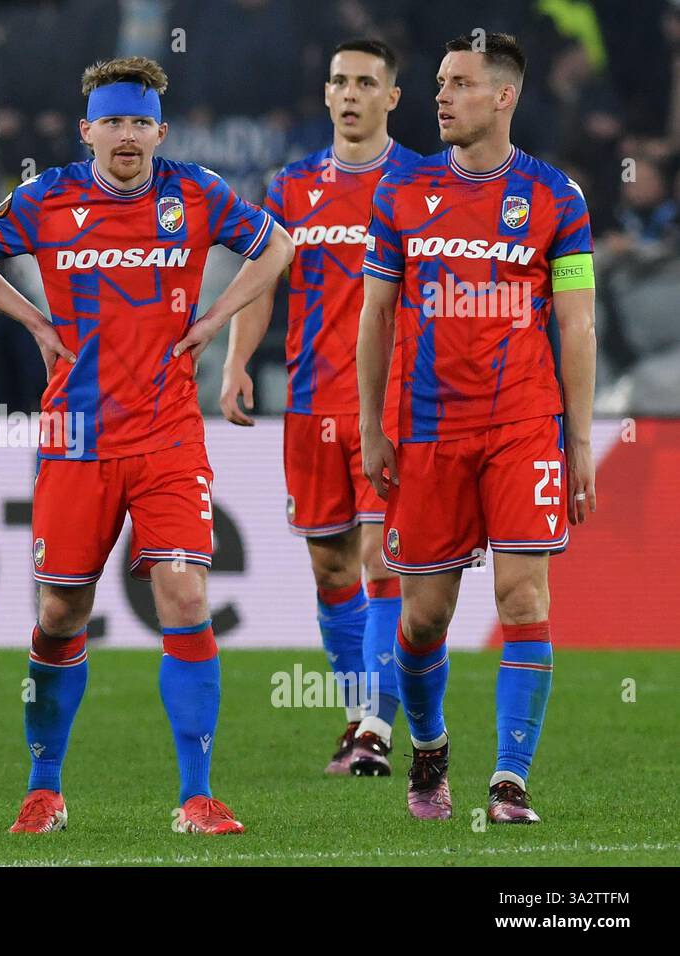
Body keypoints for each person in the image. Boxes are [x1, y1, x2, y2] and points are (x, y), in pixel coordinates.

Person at [0, 55, 293, 834]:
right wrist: (31, 319)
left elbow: (278, 250)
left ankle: (197, 795)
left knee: (186, 594)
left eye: (140, 122)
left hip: (169, 436)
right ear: (87, 128)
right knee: (61, 614)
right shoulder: (50, 197)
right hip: (76, 440)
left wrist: (213, 319)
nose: (127, 135)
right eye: (114, 121)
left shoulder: (195, 192)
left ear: (159, 131)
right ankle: (44, 788)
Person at [358, 32, 597, 822]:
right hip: (427, 432)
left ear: (505, 96)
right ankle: (428, 746)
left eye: (459, 83)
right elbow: (379, 315)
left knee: (524, 598)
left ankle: (509, 781)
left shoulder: (558, 198)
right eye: (439, 81)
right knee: (424, 618)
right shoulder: (399, 193)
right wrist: (371, 424)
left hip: (525, 425)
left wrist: (579, 441)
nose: (441, 95)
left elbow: (577, 325)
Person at [220, 39, 421, 777]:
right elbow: (263, 278)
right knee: (331, 567)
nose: (349, 94)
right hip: (307, 401)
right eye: (339, 80)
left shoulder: (421, 186)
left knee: (379, 558)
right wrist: (239, 359)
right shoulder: (293, 185)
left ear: (392, 98)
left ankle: (376, 726)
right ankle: (359, 715)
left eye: (366, 82)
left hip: (389, 404)